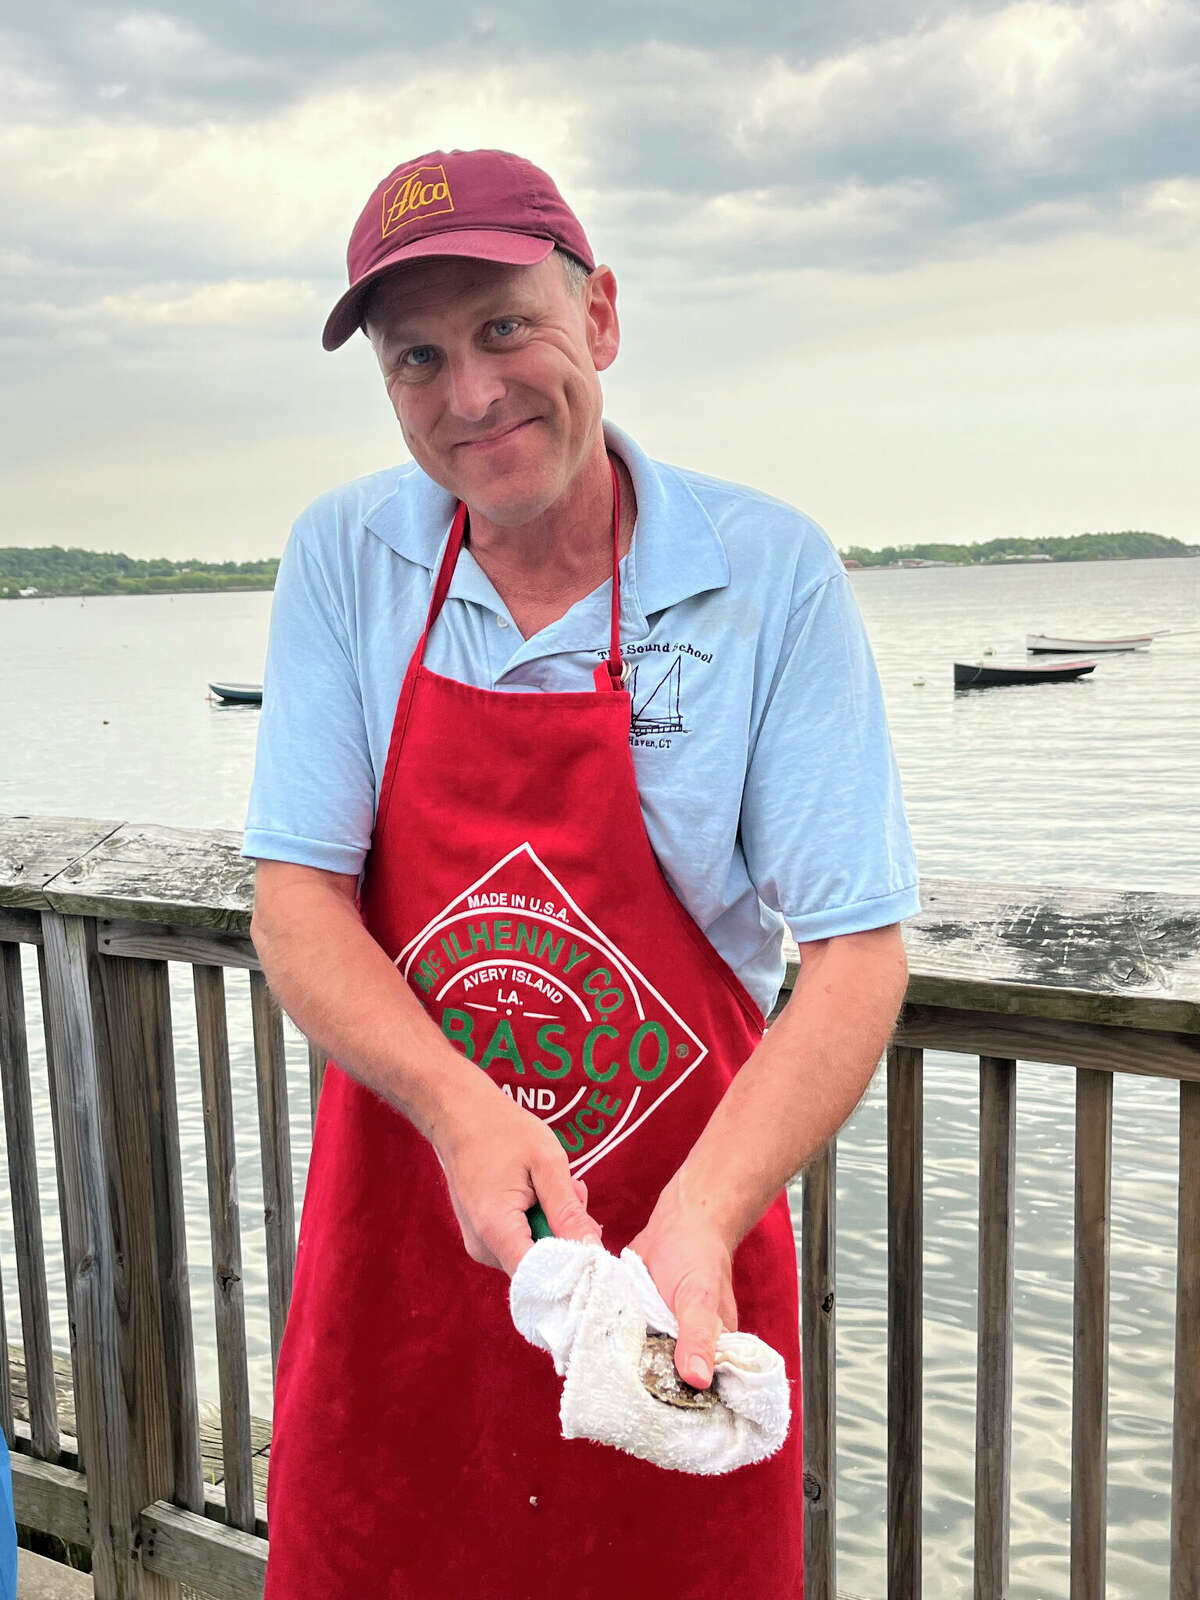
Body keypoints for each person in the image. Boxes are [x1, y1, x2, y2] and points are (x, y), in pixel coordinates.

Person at [244, 146, 919, 1599]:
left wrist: (703, 1218)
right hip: (402, 1254)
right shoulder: (348, 556)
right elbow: (297, 899)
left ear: (600, 316)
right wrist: (459, 1108)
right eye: (417, 356)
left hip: (673, 1276)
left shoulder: (765, 574)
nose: (471, 393)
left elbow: (857, 952)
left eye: (505, 326)